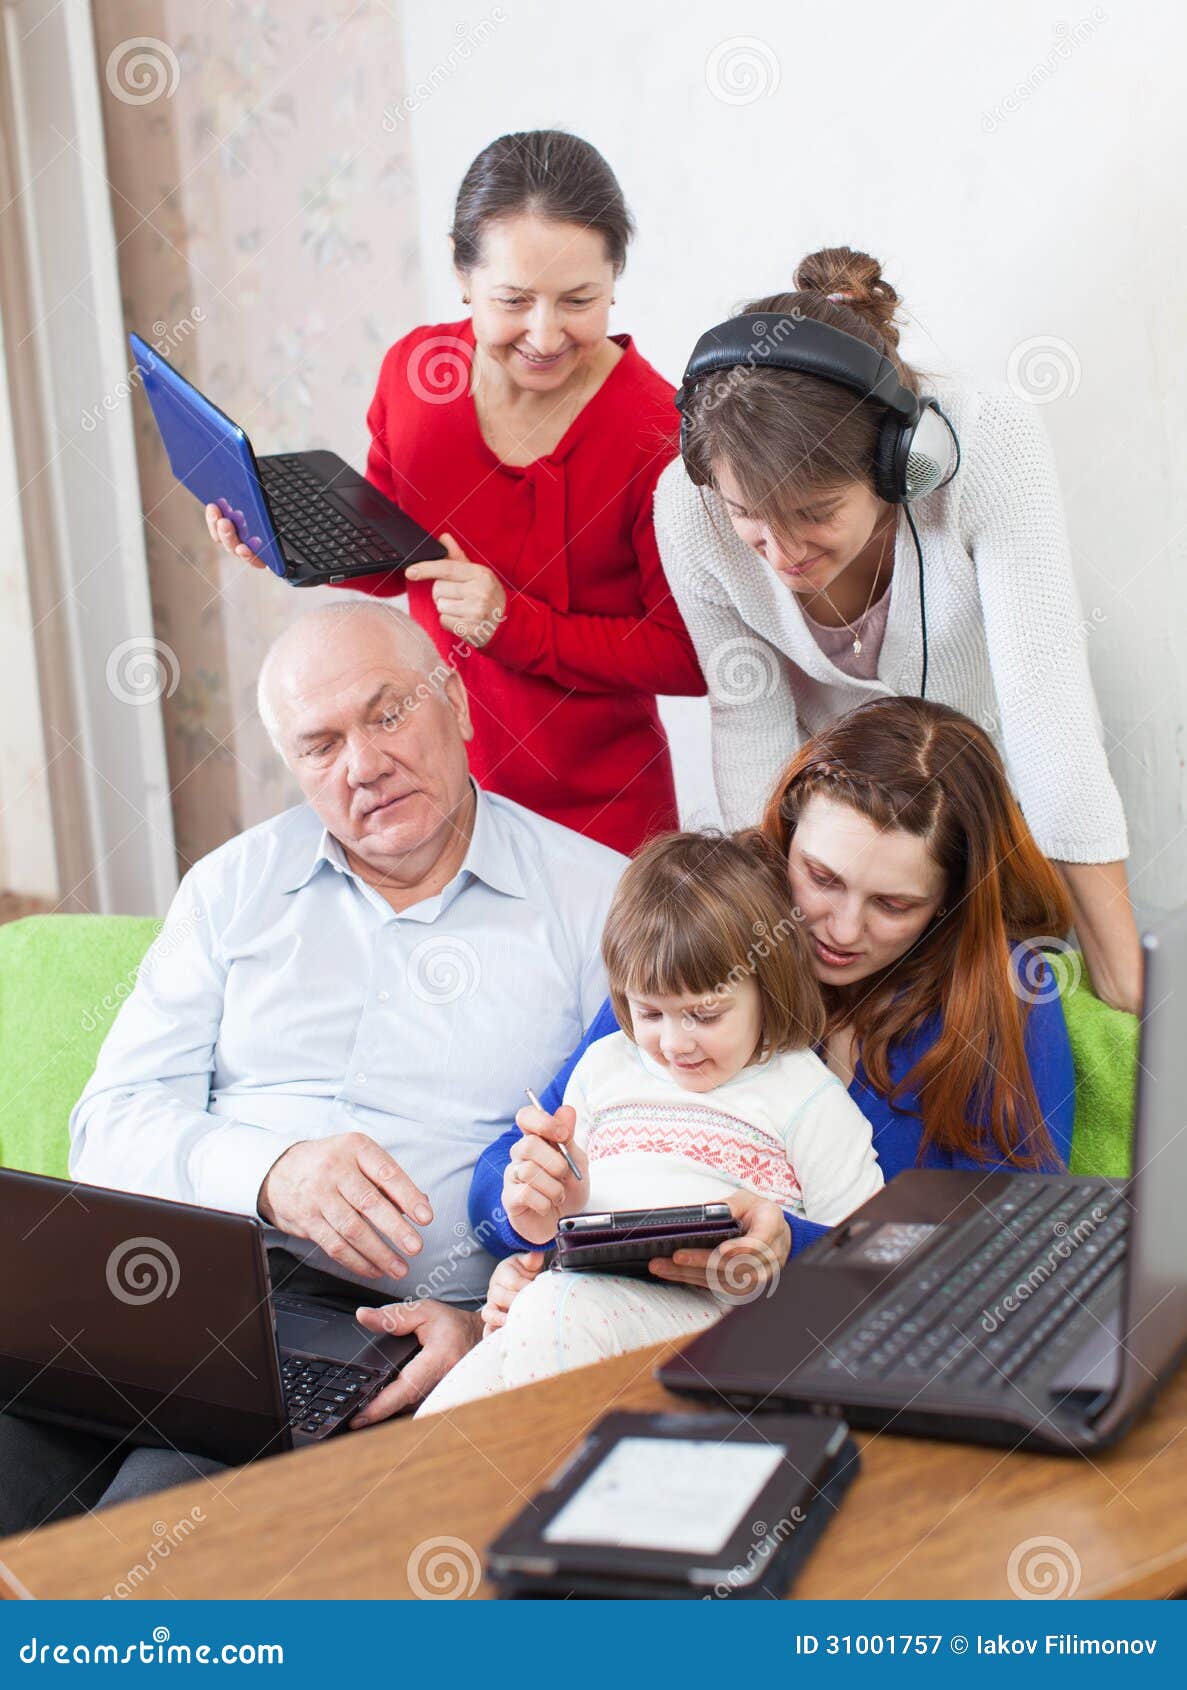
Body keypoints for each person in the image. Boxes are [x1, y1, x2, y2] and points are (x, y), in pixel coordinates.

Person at [0, 600, 624, 1534]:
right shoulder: (230, 888)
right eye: (321, 745)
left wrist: (491, 1329)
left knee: (135, 1552)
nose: (364, 766)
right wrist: (273, 1172)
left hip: (393, 1329)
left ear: (453, 701)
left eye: (387, 714)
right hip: (169, 1293)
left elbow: (627, 1177)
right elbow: (112, 1123)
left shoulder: (599, 902)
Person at [470, 697, 1077, 1322]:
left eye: (893, 905)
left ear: (951, 901)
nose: (840, 930)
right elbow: (495, 1183)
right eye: (822, 877)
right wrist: (540, 1226)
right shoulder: (717, 923)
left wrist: (797, 1249)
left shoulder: (1007, 996)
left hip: (854, 1363)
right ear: (786, 835)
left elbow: (1022, 1263)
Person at [654, 245, 1140, 1013]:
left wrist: (1124, 988)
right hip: (832, 847)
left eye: (814, 517)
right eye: (748, 517)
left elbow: (1047, 715)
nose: (781, 557)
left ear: (898, 468)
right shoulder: (689, 509)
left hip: (982, 823)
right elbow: (747, 719)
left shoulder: (984, 446)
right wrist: (767, 955)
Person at [206, 130, 704, 855]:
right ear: (460, 273)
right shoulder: (417, 375)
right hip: (440, 801)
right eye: (512, 299)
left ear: (615, 280)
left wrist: (514, 624)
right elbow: (396, 560)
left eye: (577, 300)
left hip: (603, 821)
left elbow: (686, 656)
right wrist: (282, 540)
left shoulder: (657, 431)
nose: (544, 333)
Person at [417, 830, 882, 1412]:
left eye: (705, 1015)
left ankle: (568, 1493)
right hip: (570, 1305)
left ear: (769, 988)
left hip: (716, 1327)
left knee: (554, 1314)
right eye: (650, 1012)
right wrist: (537, 1222)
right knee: (437, 1422)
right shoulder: (607, 1065)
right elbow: (558, 1215)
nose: (675, 1042)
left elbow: (873, 1257)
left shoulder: (804, 1094)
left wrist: (786, 1248)